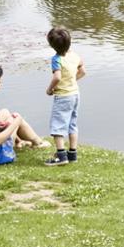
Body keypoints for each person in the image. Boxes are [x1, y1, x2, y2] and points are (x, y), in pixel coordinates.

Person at [44, 26, 86, 166]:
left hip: (63, 96)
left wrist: (50, 89)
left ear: (52, 45)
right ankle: (72, 154)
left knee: (57, 126)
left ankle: (61, 156)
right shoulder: (75, 55)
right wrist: (72, 80)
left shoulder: (56, 59)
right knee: (72, 124)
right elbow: (82, 72)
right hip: (75, 94)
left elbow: (57, 77)